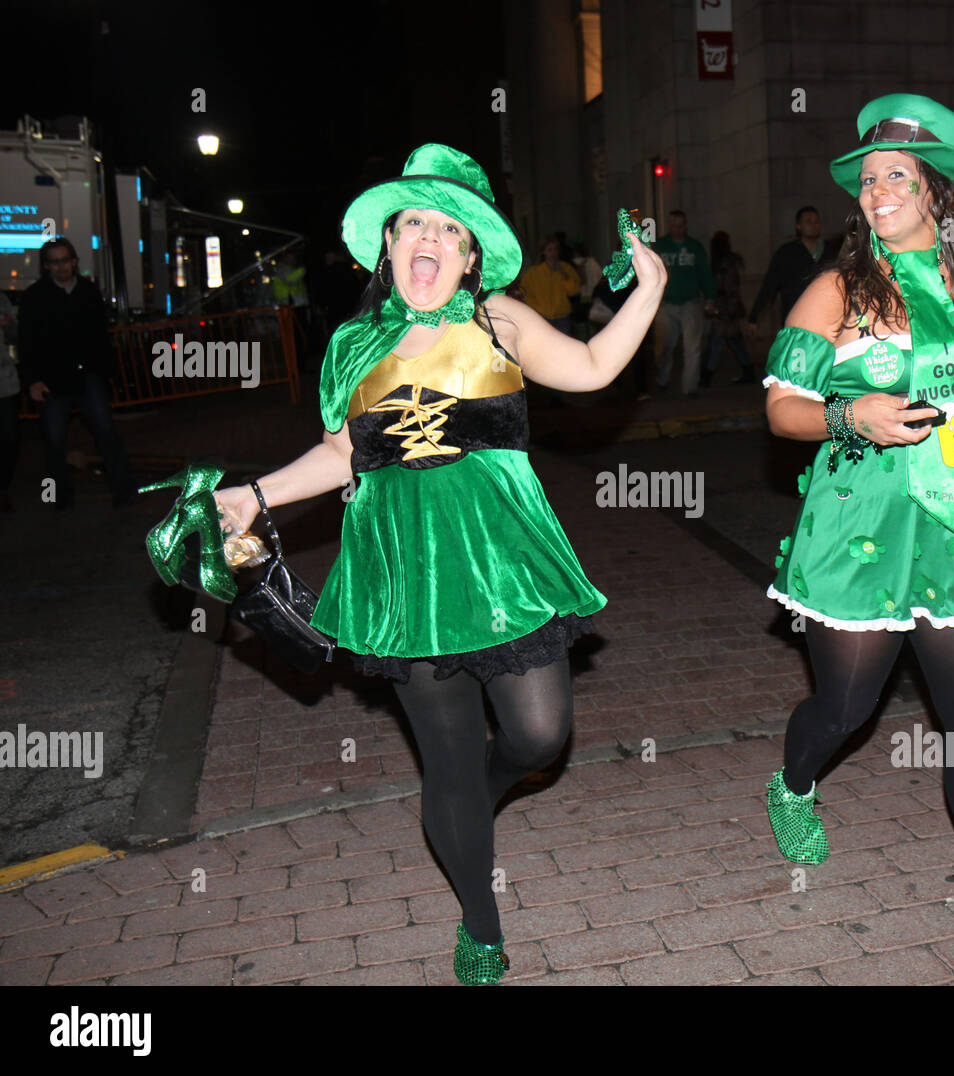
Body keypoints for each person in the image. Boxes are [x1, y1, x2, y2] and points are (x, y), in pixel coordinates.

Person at [212, 145, 666, 985]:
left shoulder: (500, 321)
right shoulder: (351, 345)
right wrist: (256, 497)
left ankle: (476, 800)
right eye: (413, 221)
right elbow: (342, 454)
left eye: (448, 228)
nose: (429, 238)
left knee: (539, 733)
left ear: (468, 256)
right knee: (448, 761)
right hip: (403, 570)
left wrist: (651, 290)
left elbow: (597, 367)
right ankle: (481, 924)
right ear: (389, 246)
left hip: (502, 561)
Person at [762, 94, 954, 952]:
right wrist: (858, 417)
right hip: (861, 523)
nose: (878, 190)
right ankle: (793, 783)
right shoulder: (834, 292)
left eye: (898, 176)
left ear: (937, 192)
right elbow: (782, 410)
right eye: (869, 178)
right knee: (846, 707)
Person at [19, 239, 134, 508]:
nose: (62, 267)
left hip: (88, 374)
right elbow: (27, 342)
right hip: (52, 378)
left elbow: (100, 336)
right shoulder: (36, 296)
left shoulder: (87, 291)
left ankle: (123, 489)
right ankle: (60, 495)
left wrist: (106, 372)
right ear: (47, 266)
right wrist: (33, 380)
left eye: (66, 260)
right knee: (55, 439)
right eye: (56, 262)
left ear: (74, 261)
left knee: (106, 432)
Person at [651, 210, 715, 397]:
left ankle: (690, 388)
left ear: (685, 226)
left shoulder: (694, 247)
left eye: (680, 225)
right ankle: (662, 379)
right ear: (669, 225)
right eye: (673, 225)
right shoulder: (660, 246)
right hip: (666, 303)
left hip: (690, 302)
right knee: (664, 347)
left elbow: (705, 273)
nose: (677, 229)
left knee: (692, 347)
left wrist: (710, 297)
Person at [747, 205, 837, 333]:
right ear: (798, 226)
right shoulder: (786, 253)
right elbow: (769, 285)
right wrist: (754, 317)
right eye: (808, 221)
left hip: (825, 319)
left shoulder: (831, 252)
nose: (813, 225)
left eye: (816, 221)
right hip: (796, 319)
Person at [701, 231, 756, 386]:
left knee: (719, 341)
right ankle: (747, 370)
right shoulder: (728, 262)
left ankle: (706, 375)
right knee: (733, 341)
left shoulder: (721, 264)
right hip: (728, 307)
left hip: (724, 308)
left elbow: (726, 287)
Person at [519, 235, 581, 336]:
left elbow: (574, 291)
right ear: (543, 252)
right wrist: (537, 309)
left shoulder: (566, 268)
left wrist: (564, 275)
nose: (553, 253)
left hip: (563, 316)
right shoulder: (533, 273)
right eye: (549, 250)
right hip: (541, 317)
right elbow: (525, 294)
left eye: (555, 249)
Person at [0, 290, 18, 513]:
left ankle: (3, 488)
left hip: (4, 385)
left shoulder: (2, 300)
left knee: (9, 439)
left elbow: (16, 336)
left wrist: (8, 325)